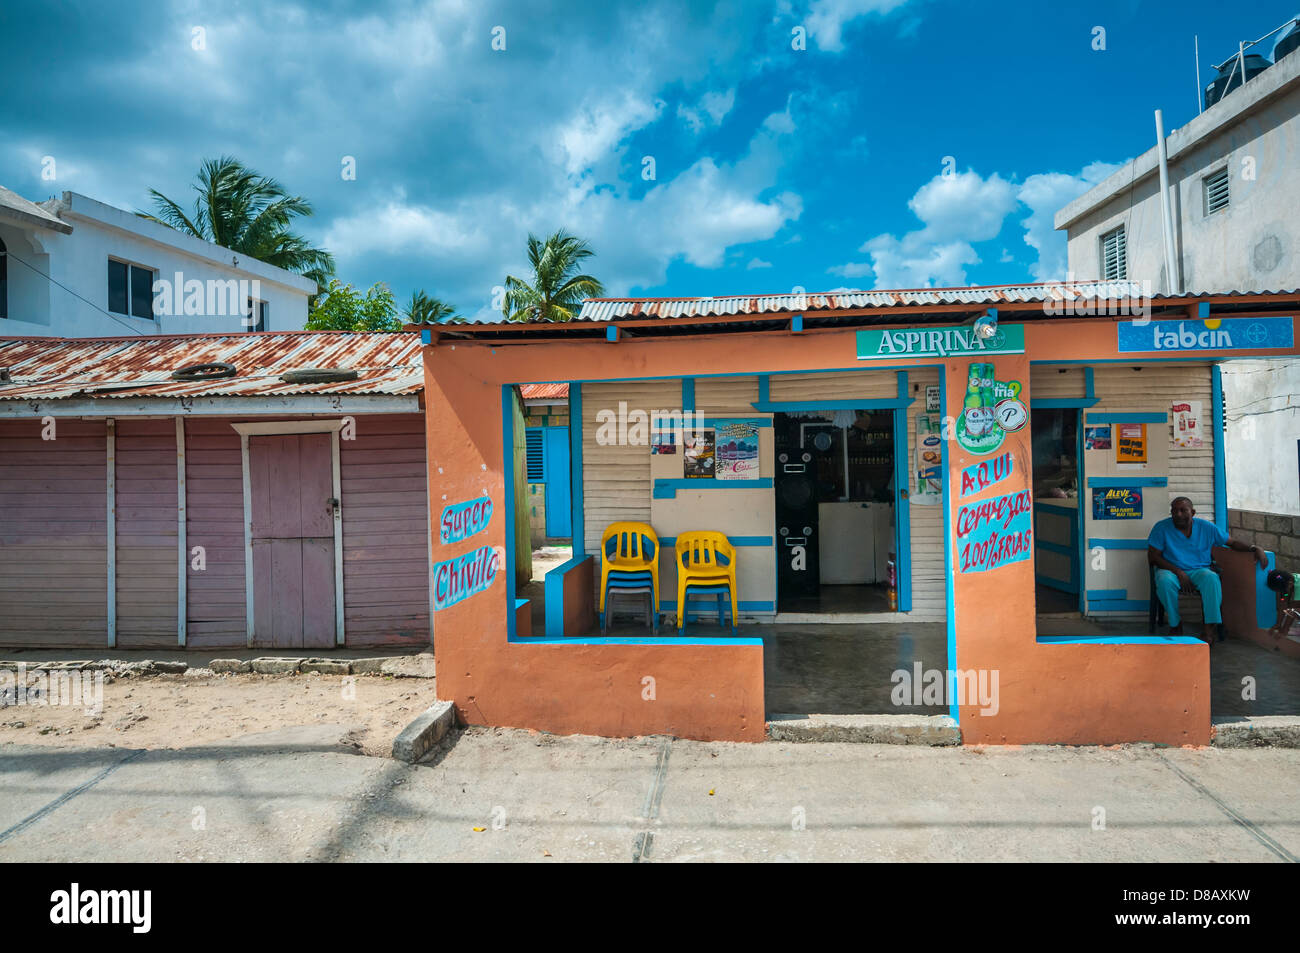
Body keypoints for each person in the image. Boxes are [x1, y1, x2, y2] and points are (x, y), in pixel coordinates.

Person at [1147, 497, 1267, 642]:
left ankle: (1209, 630)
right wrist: (1179, 572)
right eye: (1174, 510)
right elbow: (1153, 557)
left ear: (1193, 512)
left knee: (1211, 578)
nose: (1178, 514)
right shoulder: (1162, 527)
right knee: (1164, 581)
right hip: (1171, 570)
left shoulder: (1206, 527)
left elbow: (1232, 542)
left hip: (1199, 570)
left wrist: (1254, 548)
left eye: (1183, 510)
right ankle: (1175, 624)